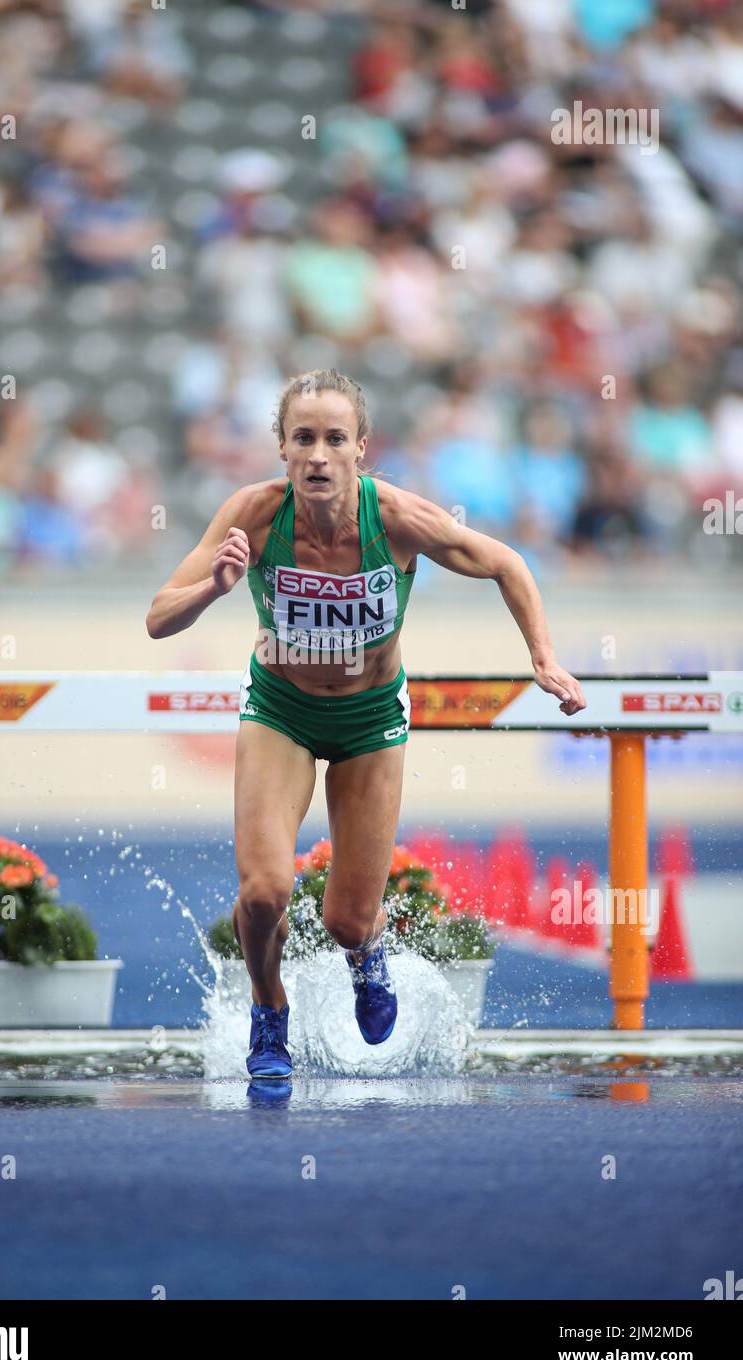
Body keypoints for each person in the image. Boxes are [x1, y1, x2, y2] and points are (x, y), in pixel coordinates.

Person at [145, 369, 586, 1078]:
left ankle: (367, 954)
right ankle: (269, 1010)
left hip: (370, 723)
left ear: (361, 448)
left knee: (348, 919)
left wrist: (543, 657)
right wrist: (215, 587)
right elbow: (158, 618)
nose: (318, 455)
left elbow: (507, 563)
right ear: (281, 449)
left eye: (334, 439)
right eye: (303, 439)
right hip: (280, 713)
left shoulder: (399, 519)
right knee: (263, 892)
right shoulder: (254, 516)